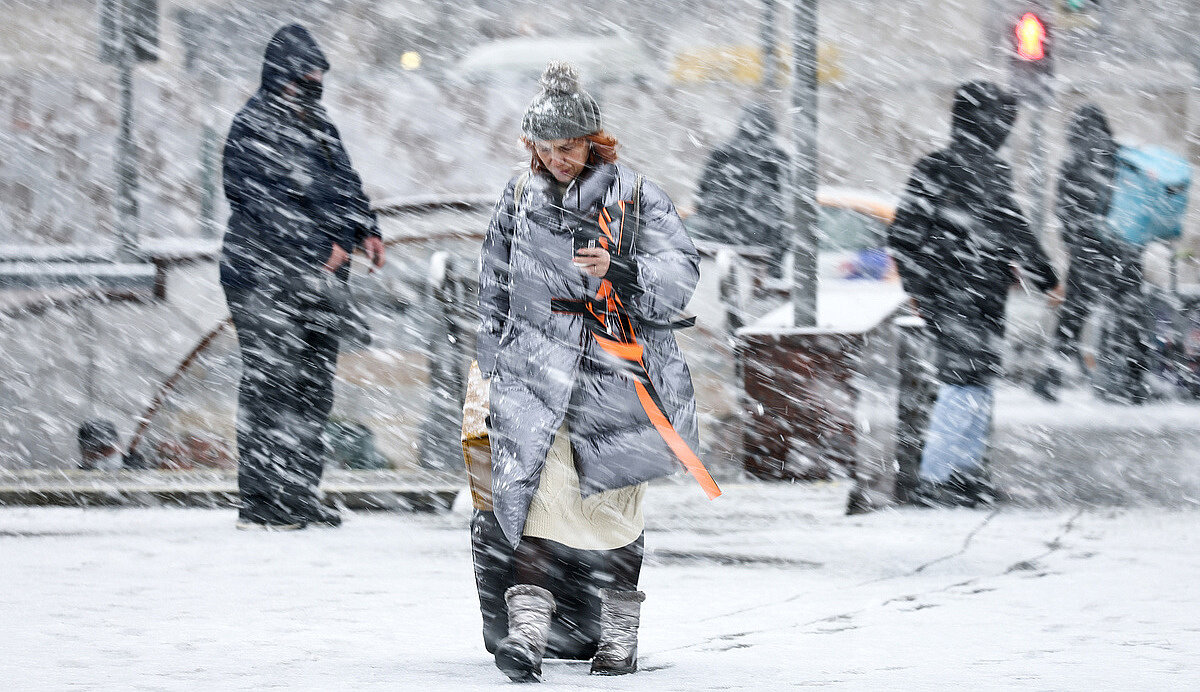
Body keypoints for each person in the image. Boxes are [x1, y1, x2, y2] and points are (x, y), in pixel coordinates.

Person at [475, 62, 703, 682]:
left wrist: (621, 272)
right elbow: (493, 280)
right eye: (544, 149)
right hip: (535, 374)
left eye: (569, 146)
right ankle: (526, 635)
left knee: (616, 511)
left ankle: (619, 635)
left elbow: (681, 272)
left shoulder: (635, 194)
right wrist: (490, 360)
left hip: (617, 373)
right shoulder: (517, 199)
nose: (557, 160)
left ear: (594, 140)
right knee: (531, 500)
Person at [219, 24, 385, 530]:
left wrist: (365, 228)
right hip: (264, 277)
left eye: (317, 74)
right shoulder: (254, 127)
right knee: (274, 386)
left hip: (314, 280)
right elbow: (258, 203)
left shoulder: (318, 124)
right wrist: (320, 249)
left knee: (312, 388)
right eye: (306, 74)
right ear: (283, 74)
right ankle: (264, 501)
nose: (314, 82)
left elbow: (344, 184)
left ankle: (297, 493)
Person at [888, 80, 1061, 506]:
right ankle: (940, 477)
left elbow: (905, 234)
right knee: (965, 383)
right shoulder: (971, 170)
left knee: (973, 382)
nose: (1007, 129)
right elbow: (1009, 222)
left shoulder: (939, 167)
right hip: (969, 292)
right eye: (1003, 120)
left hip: (963, 292)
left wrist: (921, 287)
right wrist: (1042, 272)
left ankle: (960, 474)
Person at [1033, 104, 1120, 402]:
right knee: (1121, 312)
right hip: (1118, 246)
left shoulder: (1074, 158)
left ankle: (1052, 375)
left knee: (1074, 314)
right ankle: (1121, 379)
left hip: (1085, 248)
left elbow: (1062, 206)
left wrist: (1073, 242)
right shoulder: (1116, 154)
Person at [691, 102, 789, 275]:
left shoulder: (721, 154)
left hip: (714, 239)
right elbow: (786, 203)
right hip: (760, 244)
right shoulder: (777, 158)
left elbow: (700, 195)